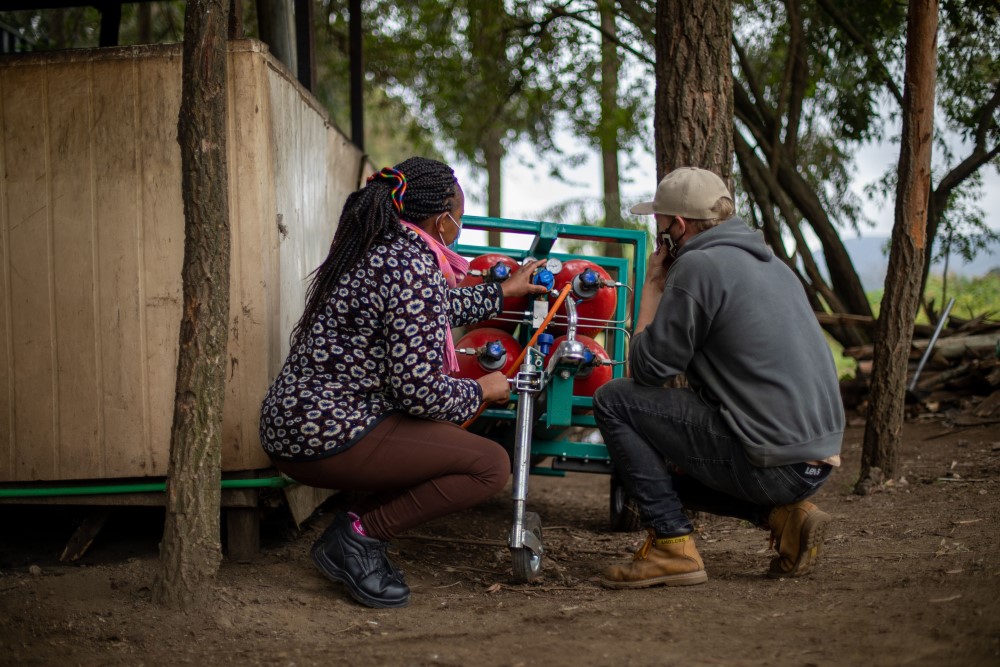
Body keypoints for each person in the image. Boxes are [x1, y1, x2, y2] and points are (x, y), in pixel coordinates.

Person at [259, 156, 548, 608]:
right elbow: (420, 392)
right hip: (326, 433)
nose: (460, 228)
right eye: (460, 218)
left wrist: (500, 292)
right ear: (442, 220)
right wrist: (482, 390)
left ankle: (354, 530)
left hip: (295, 424)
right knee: (489, 465)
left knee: (445, 445)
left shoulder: (382, 250)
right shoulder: (411, 265)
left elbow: (426, 312)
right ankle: (357, 538)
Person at [594, 166, 844, 589]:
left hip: (774, 464)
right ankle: (786, 516)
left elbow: (649, 370)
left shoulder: (698, 267)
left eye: (659, 223)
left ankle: (671, 547)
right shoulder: (774, 266)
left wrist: (653, 285)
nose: (659, 235)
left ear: (677, 225)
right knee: (650, 470)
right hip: (815, 464)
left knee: (613, 400)